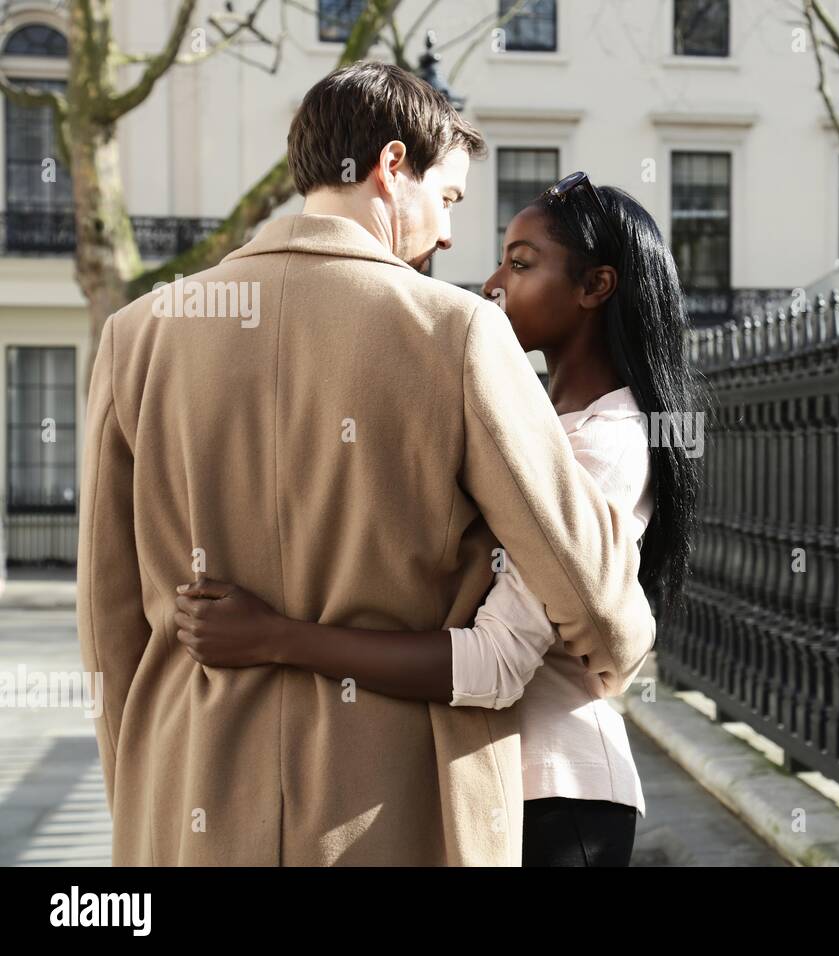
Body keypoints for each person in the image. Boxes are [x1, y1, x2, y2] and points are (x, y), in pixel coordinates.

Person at [75, 62, 655, 866]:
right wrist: (627, 642)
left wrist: (140, 791)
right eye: (446, 198)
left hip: (191, 791)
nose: (450, 235)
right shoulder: (456, 335)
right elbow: (586, 585)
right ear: (390, 168)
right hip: (395, 800)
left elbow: (109, 625)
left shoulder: (138, 335)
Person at [169, 174, 705, 867]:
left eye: (521, 263)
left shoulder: (603, 441)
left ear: (595, 286)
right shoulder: (532, 420)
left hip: (554, 798)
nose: (492, 283)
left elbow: (496, 662)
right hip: (486, 783)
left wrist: (274, 635)